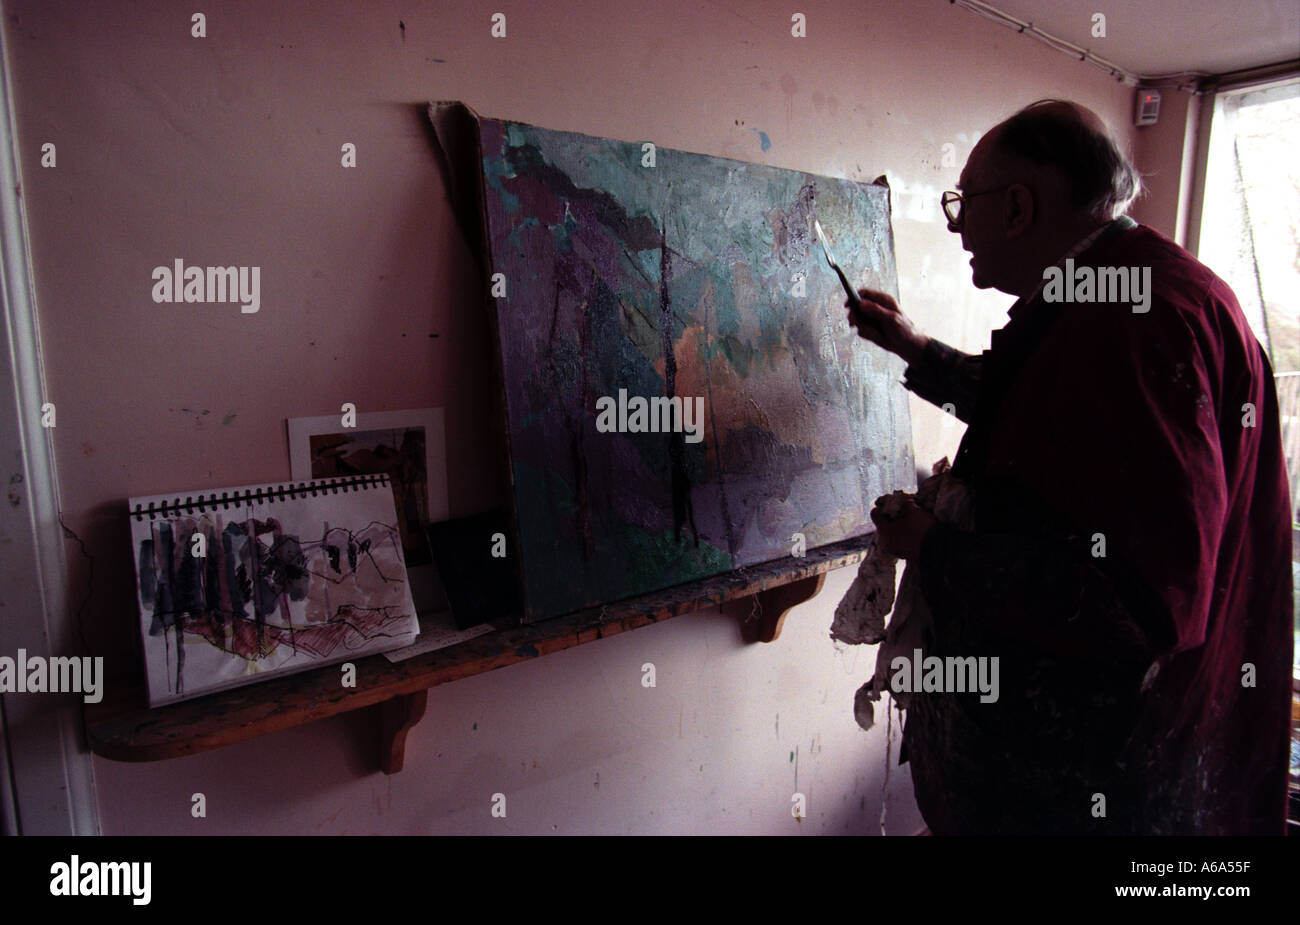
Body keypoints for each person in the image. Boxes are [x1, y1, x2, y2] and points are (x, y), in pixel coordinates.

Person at [847, 99, 1293, 835]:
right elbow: (1038, 407)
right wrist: (914, 347)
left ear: (1019, 207)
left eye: (964, 203)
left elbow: (1141, 604)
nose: (956, 226)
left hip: (1106, 790)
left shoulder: (1138, 322)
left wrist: (932, 544)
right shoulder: (1121, 288)